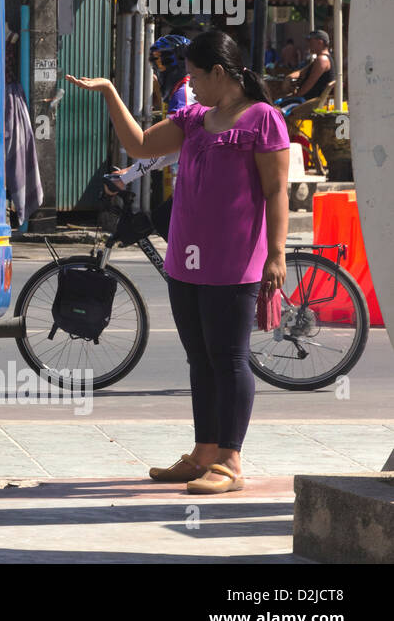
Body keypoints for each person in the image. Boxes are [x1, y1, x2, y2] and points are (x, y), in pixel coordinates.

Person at [67, 30, 289, 494]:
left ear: (219, 73)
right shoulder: (193, 120)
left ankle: (230, 461)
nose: (189, 84)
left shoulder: (263, 120)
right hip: (185, 261)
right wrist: (109, 91)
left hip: (235, 262)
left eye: (194, 75)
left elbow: (276, 192)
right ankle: (203, 452)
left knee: (229, 359)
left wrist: (277, 254)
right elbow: (140, 146)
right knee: (199, 359)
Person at [102, 33, 194, 240]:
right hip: (194, 182)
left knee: (165, 224)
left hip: (200, 184)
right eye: (156, 63)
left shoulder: (184, 94)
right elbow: (176, 149)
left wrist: (126, 177)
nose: (159, 69)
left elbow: (164, 147)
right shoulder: (184, 89)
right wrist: (128, 173)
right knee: (164, 224)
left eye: (164, 62)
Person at [277, 30, 333, 112]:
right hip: (308, 101)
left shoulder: (322, 60)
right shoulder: (320, 59)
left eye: (311, 41)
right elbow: (301, 72)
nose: (309, 44)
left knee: (275, 109)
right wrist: (289, 77)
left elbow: (307, 86)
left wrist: (294, 96)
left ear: (320, 42)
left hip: (309, 103)